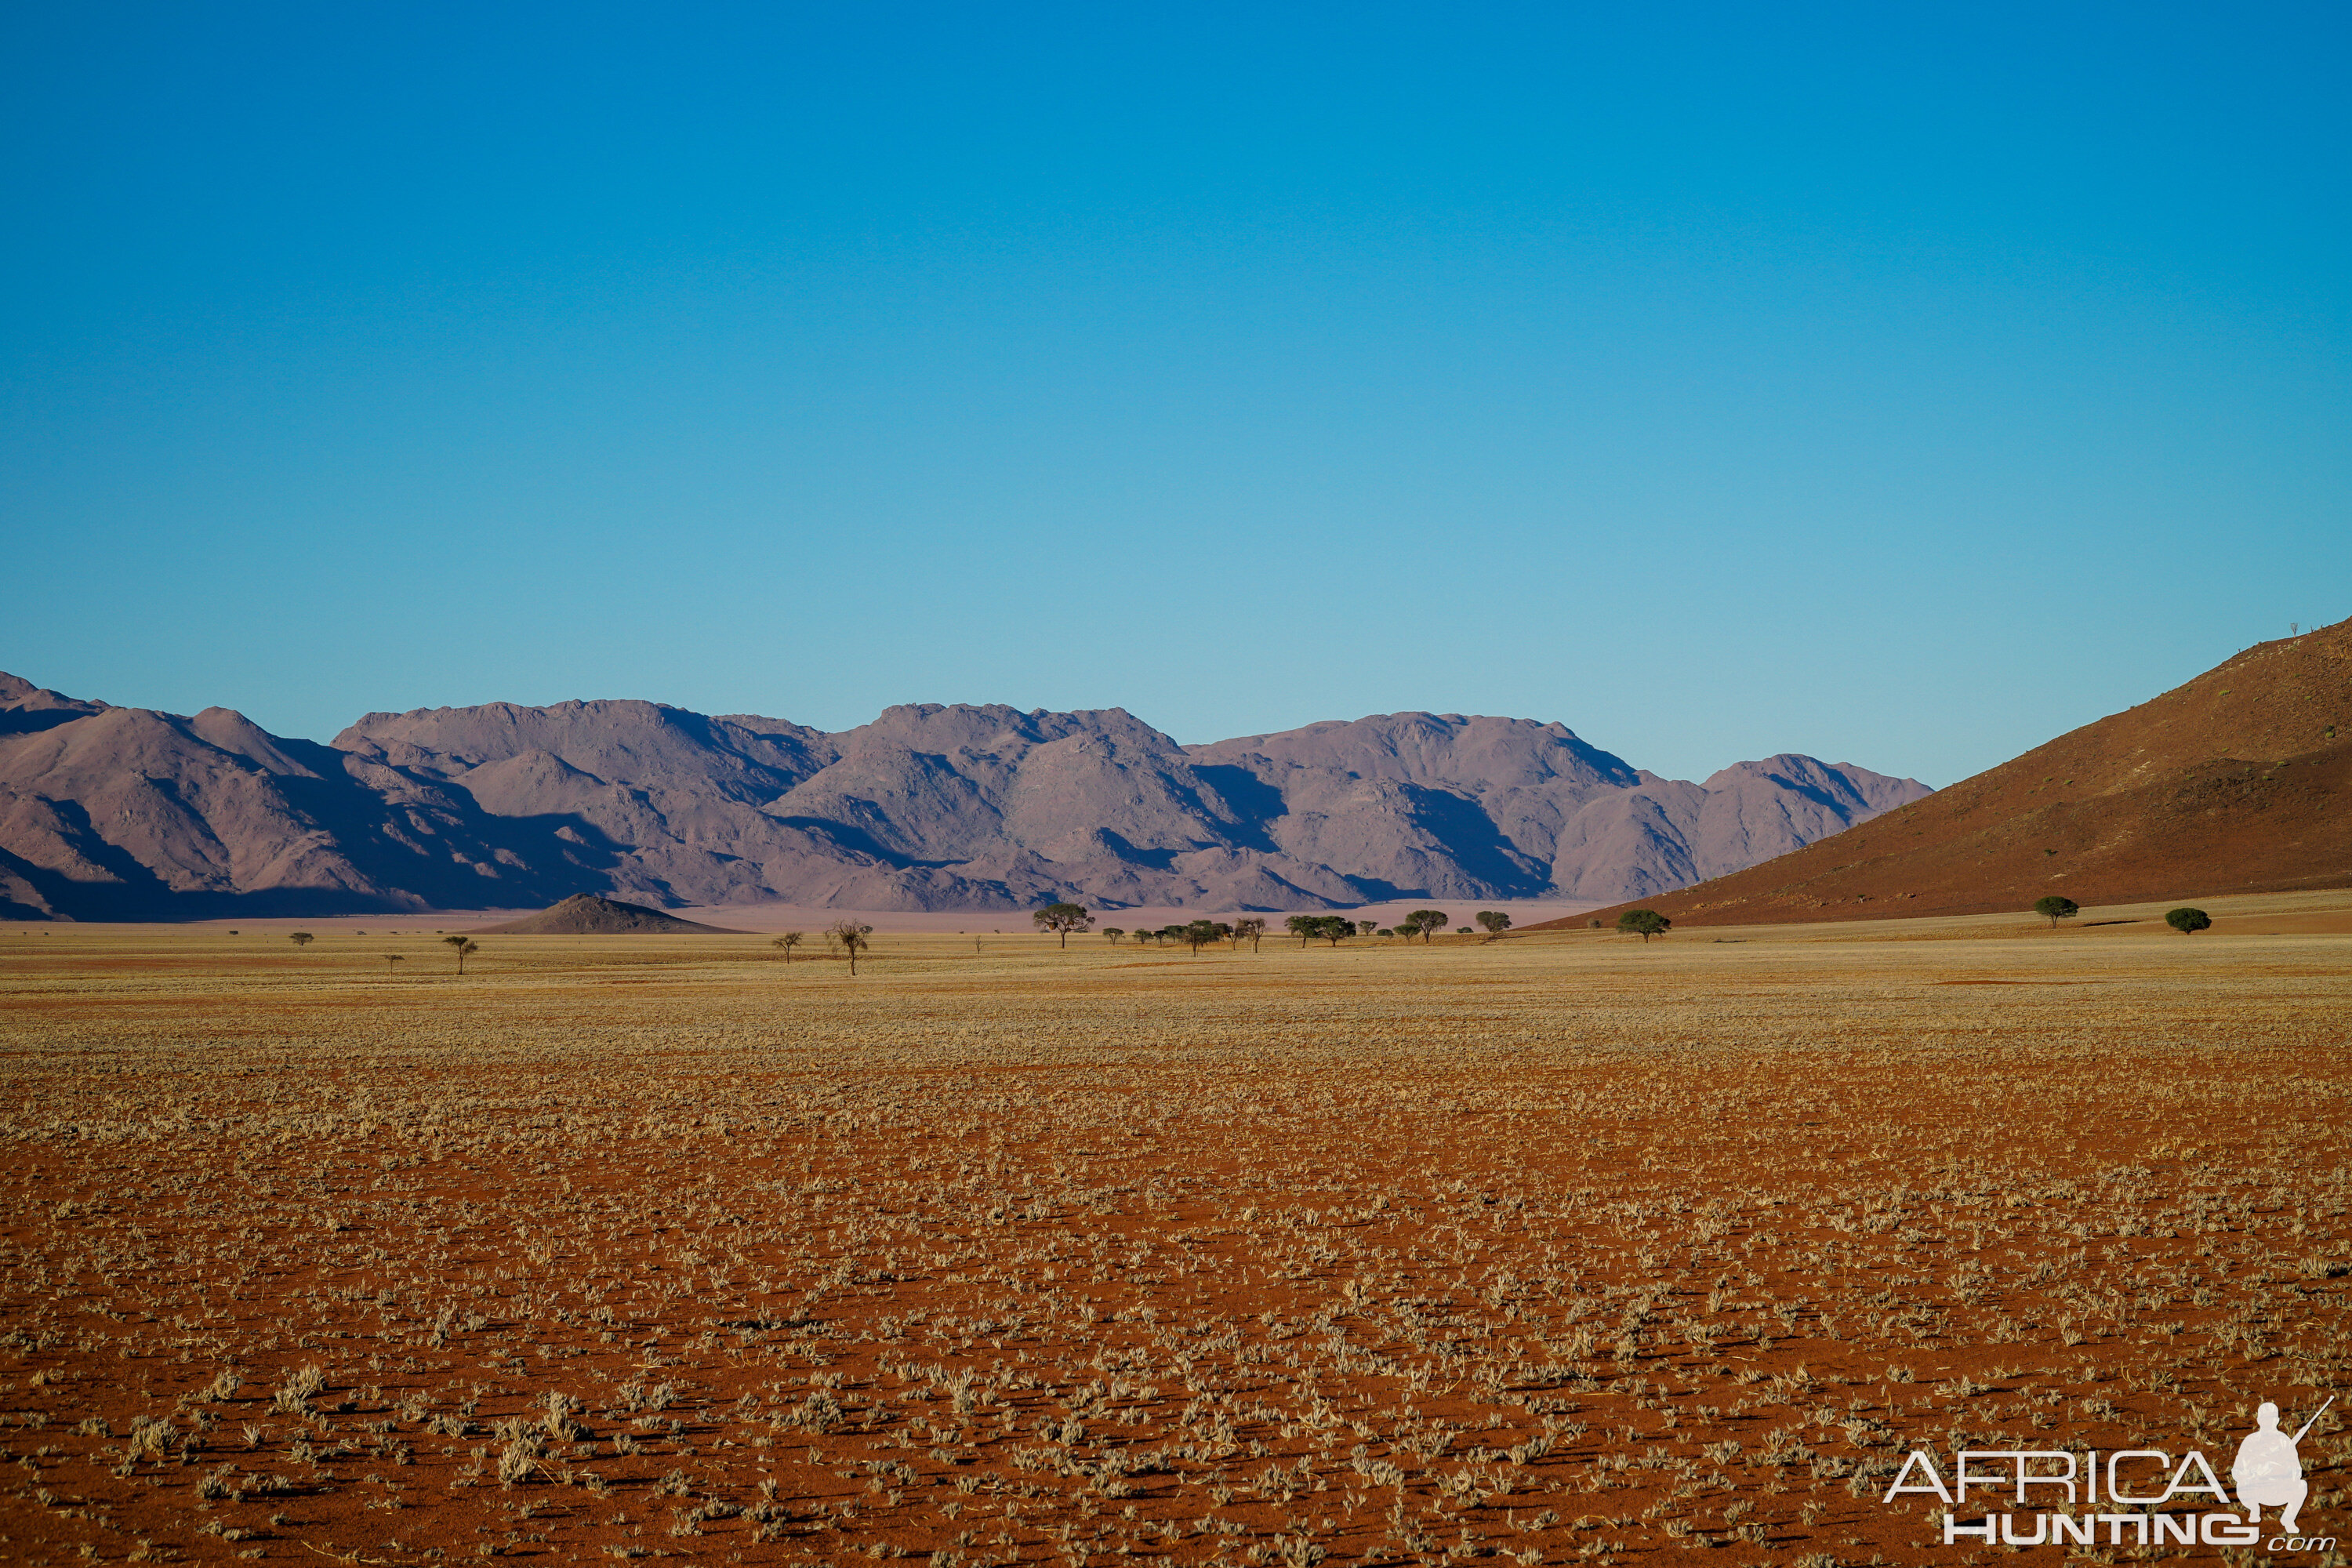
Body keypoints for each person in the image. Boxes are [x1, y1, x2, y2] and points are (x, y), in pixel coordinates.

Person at [2234, 1402, 2309, 1533]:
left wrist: (2282, 1473)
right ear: (2259, 1420)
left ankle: (2288, 1519)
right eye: (2265, 1419)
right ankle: (2254, 1509)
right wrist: (2253, 1474)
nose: (2268, 1422)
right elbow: (2237, 1471)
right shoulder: (2250, 1441)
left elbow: (2297, 1470)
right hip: (2256, 1489)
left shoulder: (2284, 1441)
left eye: (2271, 1419)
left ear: (2277, 1421)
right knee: (2241, 1484)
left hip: (2279, 1489)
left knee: (2302, 1485)